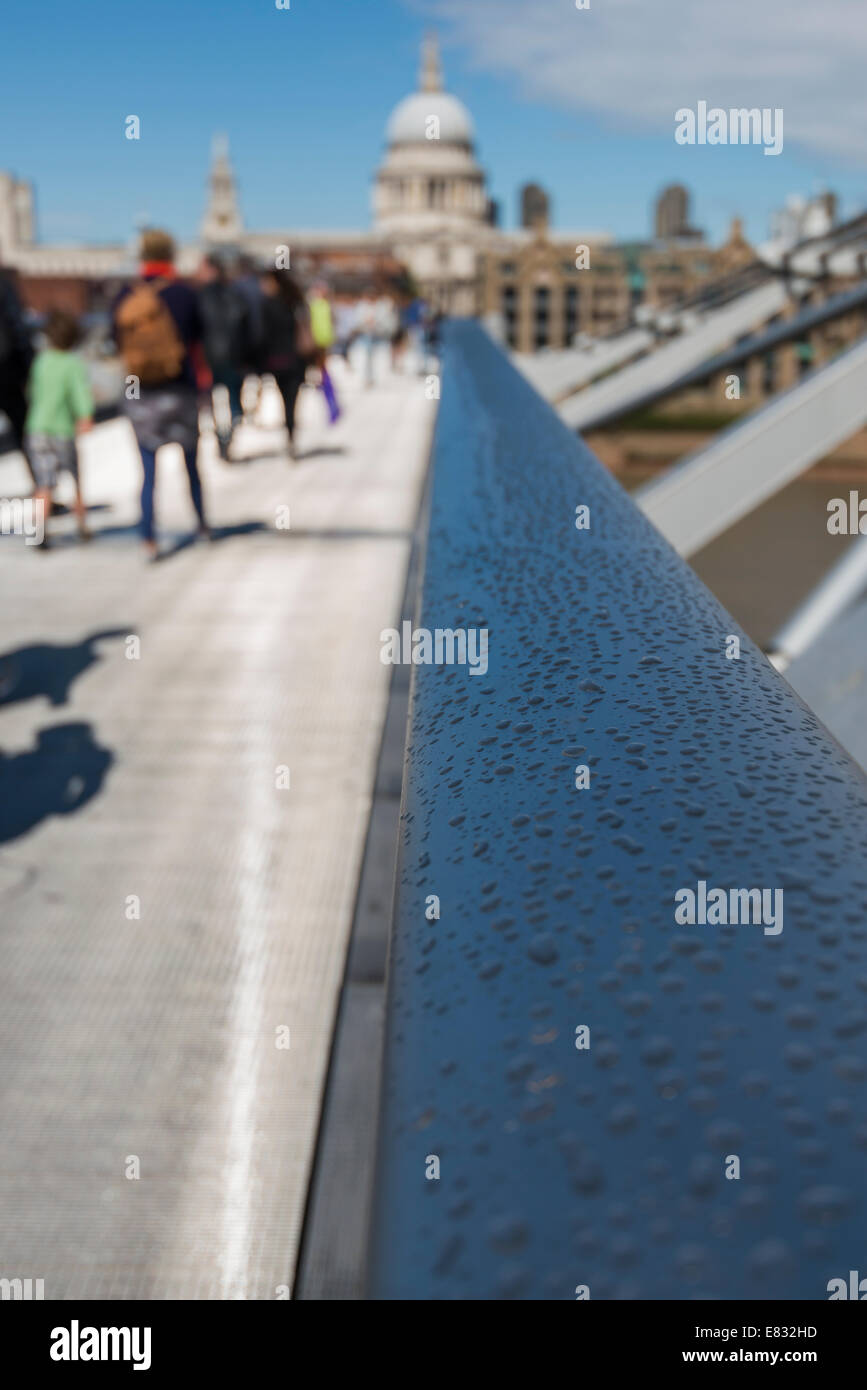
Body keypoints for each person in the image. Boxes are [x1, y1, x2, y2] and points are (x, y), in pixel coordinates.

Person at [114, 229, 209, 560]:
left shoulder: (125, 295)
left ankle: (149, 539)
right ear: (171, 255)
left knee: (148, 470)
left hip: (140, 392)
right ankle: (201, 525)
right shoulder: (184, 293)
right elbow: (198, 342)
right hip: (179, 389)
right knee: (191, 464)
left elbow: (118, 345)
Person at [24, 310, 93, 548]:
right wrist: (85, 416)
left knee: (44, 483)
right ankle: (82, 524)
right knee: (75, 478)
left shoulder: (42, 360)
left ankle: (38, 531)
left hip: (36, 428)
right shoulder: (72, 363)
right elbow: (80, 395)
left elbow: (33, 391)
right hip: (61, 429)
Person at [196, 252, 252, 459]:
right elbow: (247, 328)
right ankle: (230, 430)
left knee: (214, 401)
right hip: (233, 356)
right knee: (232, 400)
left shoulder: (199, 297)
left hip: (209, 357)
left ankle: (223, 434)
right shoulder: (234, 295)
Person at [258, 269, 310, 459]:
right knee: (292, 400)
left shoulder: (268, 305)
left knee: (284, 399)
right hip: (296, 359)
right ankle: (291, 433)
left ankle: (289, 432)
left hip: (277, 360)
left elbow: (262, 335)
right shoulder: (295, 303)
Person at [0, 264, 35, 477]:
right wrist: (29, 366)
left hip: (8, 368)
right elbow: (18, 327)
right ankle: (43, 489)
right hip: (7, 370)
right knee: (25, 431)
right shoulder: (4, 286)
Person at [307, 281, 341, 424]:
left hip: (321, 341)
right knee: (321, 367)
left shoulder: (322, 306)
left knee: (322, 367)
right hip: (317, 341)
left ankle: (323, 383)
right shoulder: (315, 305)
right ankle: (322, 382)